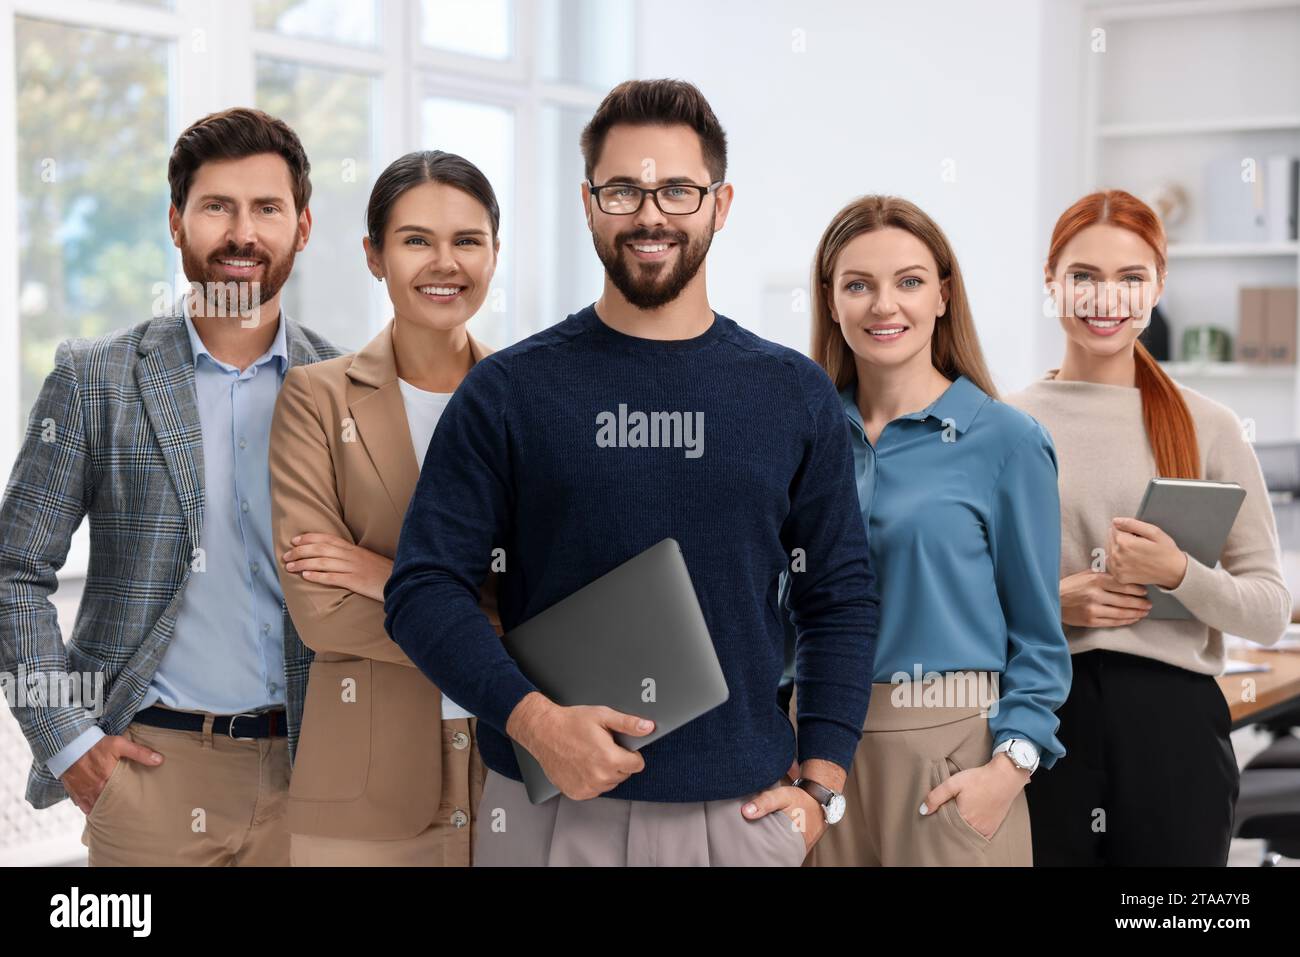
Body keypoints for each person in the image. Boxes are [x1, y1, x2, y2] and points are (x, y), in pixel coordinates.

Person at [384, 78, 880, 867]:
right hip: (549, 814)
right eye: (624, 190)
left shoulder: (793, 393)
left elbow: (841, 595)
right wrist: (535, 722)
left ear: (720, 204)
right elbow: (421, 589)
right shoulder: (509, 391)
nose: (651, 214)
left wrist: (821, 787)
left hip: (741, 818)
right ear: (589, 204)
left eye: (678, 190)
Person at [0, 108, 339, 865]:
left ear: (303, 226)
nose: (242, 233)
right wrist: (68, 741)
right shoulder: (95, 379)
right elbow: (13, 571)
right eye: (217, 206)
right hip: (150, 776)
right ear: (177, 223)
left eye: (267, 208)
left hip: (311, 775)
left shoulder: (346, 386)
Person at [1004, 189, 1292, 866]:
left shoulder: (1209, 425)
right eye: (1085, 276)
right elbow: (956, 602)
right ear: (1051, 283)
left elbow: (1269, 612)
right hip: (1044, 719)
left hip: (1175, 732)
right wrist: (1056, 602)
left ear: (1158, 285)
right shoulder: (1003, 424)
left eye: (1131, 278)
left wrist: (1180, 574)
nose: (1108, 299)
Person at [796, 195, 1070, 866]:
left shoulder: (1005, 441)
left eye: (909, 281)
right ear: (831, 301)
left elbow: (1040, 637)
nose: (883, 305)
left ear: (943, 296)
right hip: (811, 761)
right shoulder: (799, 436)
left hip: (949, 760)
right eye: (858, 285)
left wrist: (1007, 771)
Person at [271, 150, 500, 866]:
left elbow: (559, 604)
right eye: (415, 240)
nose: (445, 263)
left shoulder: (531, 400)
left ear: (495, 253)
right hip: (362, 798)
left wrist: (382, 574)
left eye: (467, 240)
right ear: (375, 255)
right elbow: (320, 611)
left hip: (516, 778)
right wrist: (482, 616)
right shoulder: (317, 397)